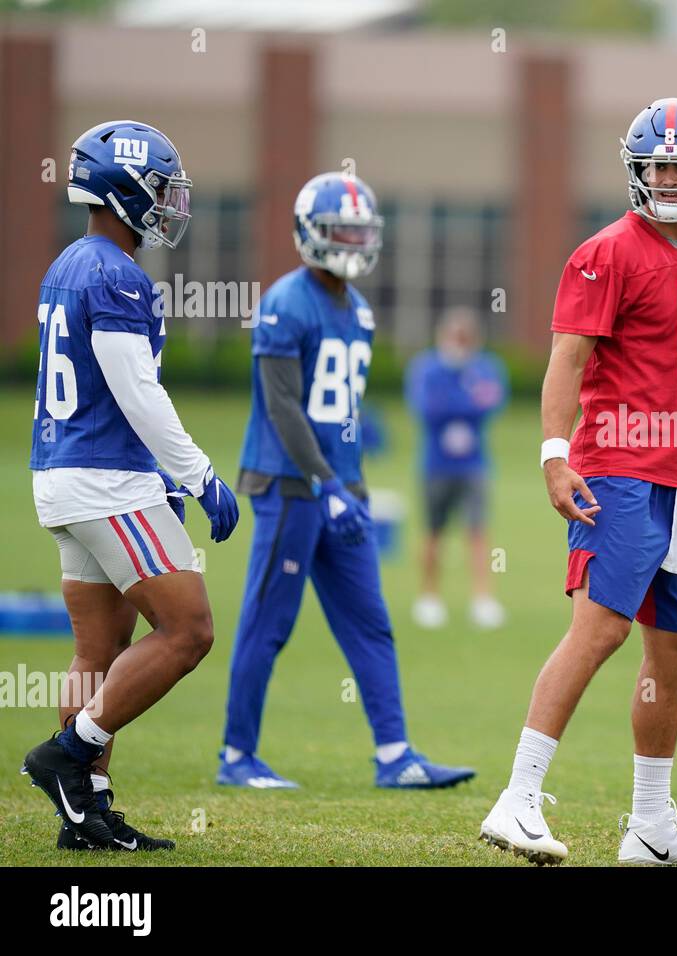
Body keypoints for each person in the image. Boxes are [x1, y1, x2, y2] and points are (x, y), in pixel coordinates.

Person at [478, 98, 677, 865]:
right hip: (617, 465)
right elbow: (568, 360)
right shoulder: (607, 251)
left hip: (675, 474)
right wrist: (555, 455)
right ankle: (518, 797)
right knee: (601, 627)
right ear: (636, 169)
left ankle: (650, 826)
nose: (668, 177)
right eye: (657, 165)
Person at [217, 171, 474, 791]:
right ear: (310, 233)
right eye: (343, 230)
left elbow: (342, 409)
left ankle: (395, 755)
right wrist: (325, 482)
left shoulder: (357, 310)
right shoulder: (285, 301)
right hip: (289, 486)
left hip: (339, 489)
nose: (355, 241)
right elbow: (284, 407)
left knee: (371, 623)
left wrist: (349, 482)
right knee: (268, 622)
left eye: (362, 230)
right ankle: (236, 755)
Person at [22, 120, 239, 851]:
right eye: (161, 190)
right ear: (124, 188)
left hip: (61, 475)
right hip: (106, 478)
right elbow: (137, 392)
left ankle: (86, 810)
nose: (171, 205)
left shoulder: (71, 264)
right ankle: (69, 754)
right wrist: (198, 475)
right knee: (189, 630)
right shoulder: (115, 272)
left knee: (98, 649)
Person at [406, 307, 509, 631]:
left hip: (474, 465)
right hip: (436, 464)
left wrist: (459, 403)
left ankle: (482, 598)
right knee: (434, 531)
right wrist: (465, 401)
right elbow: (427, 408)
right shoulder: (427, 368)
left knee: (477, 531)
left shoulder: (486, 367)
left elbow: (491, 401)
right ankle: (429, 597)